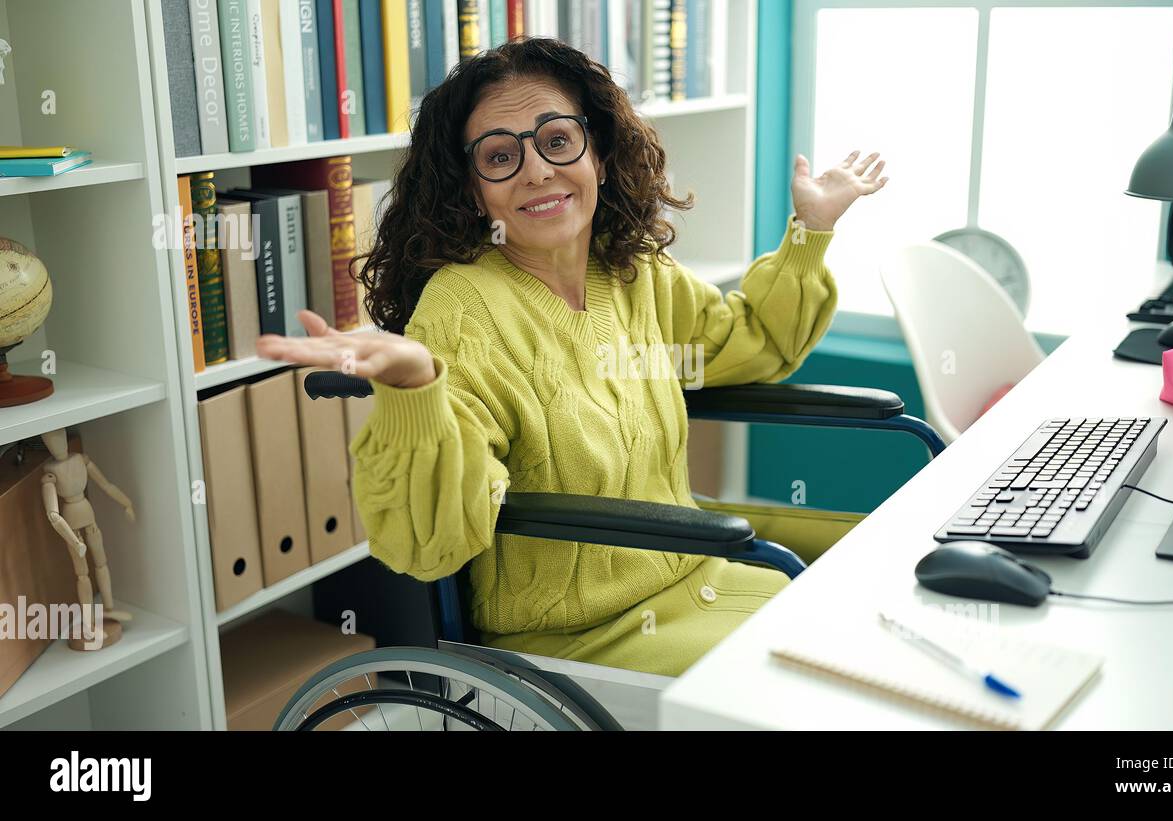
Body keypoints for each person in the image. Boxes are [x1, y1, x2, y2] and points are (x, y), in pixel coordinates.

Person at [257, 37, 888, 676]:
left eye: (557, 140)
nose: (536, 171)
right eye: (500, 156)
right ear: (472, 191)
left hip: (702, 570)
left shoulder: (633, 270)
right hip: (580, 636)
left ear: (601, 158)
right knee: (835, 672)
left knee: (883, 617)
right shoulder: (463, 308)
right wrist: (415, 390)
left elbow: (749, 340)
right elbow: (428, 545)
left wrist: (810, 231)